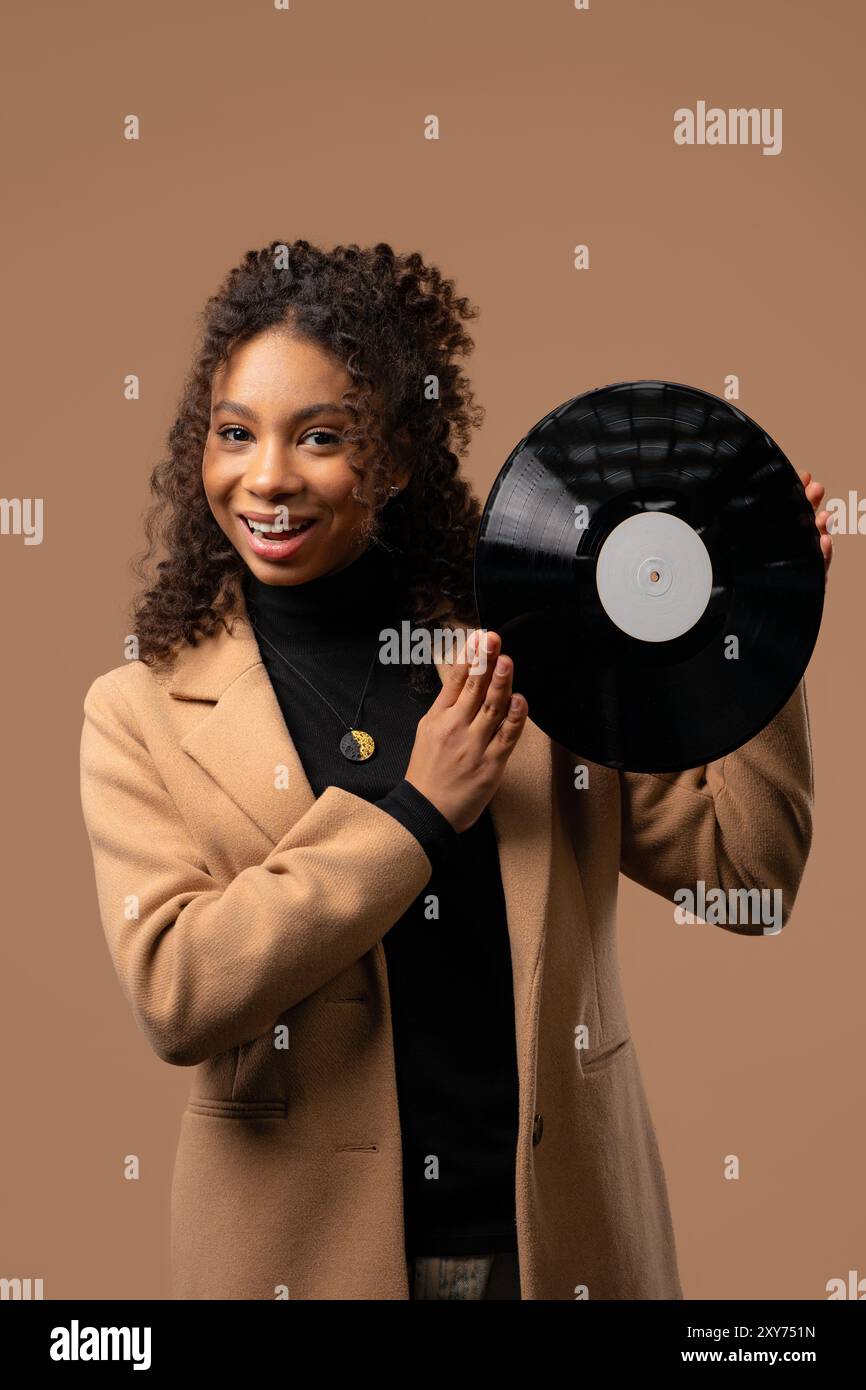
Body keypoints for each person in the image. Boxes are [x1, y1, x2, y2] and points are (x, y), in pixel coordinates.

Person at [79, 239, 832, 1301]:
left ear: (392, 459)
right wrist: (414, 812)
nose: (266, 478)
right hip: (296, 1264)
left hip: (561, 1247)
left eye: (321, 436)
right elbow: (180, 991)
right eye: (233, 434)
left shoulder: (535, 649)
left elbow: (750, 883)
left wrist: (758, 622)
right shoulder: (139, 709)